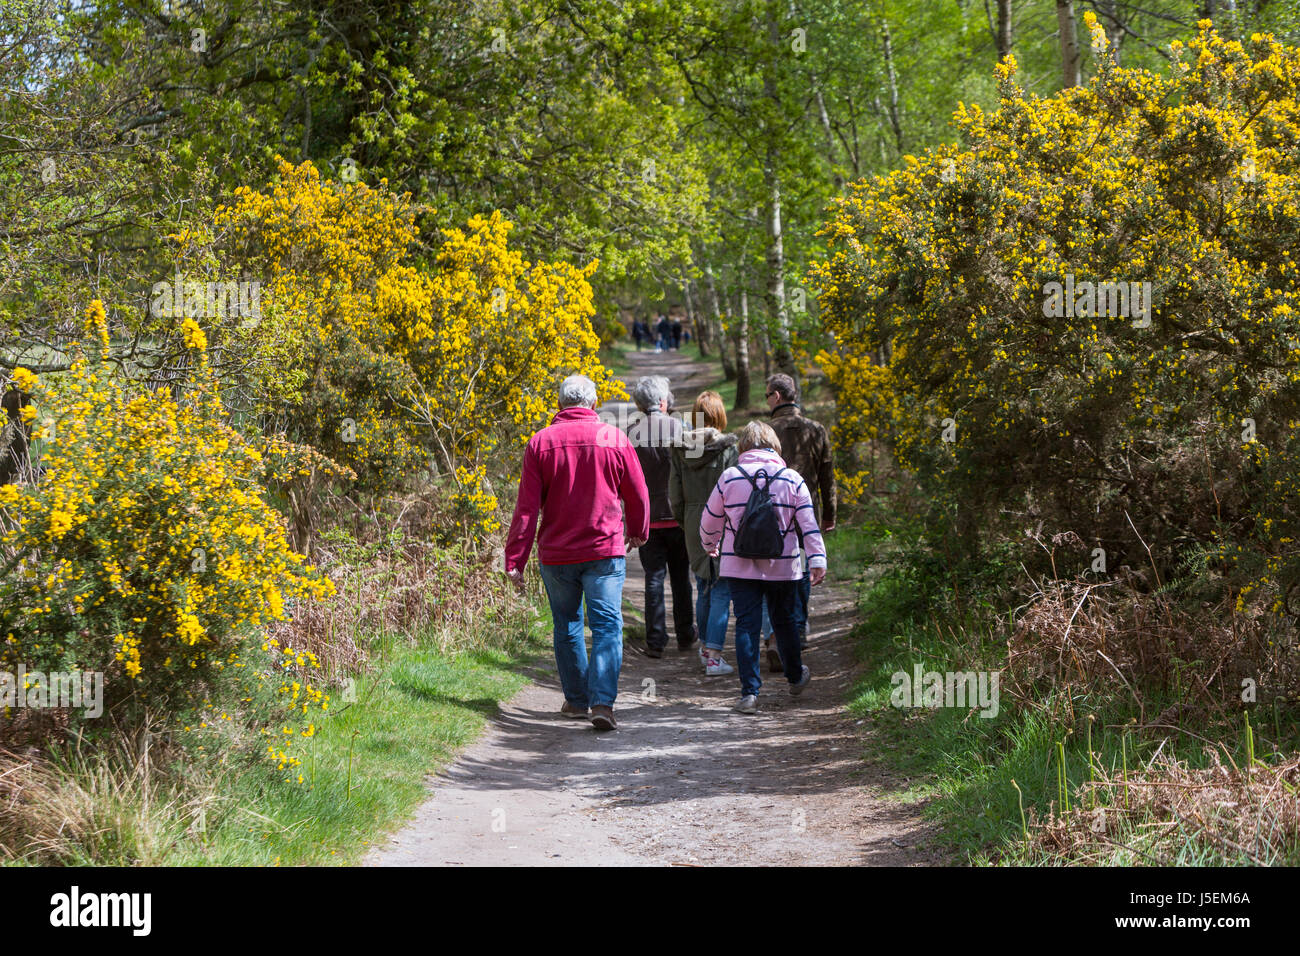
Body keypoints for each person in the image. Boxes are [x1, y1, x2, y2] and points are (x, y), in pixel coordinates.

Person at [504, 374, 649, 731]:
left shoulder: (540, 443)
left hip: (557, 554)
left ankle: (576, 699)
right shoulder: (613, 438)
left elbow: (526, 508)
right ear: (594, 403)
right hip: (604, 550)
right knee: (607, 625)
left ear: (559, 405)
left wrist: (515, 560)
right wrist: (639, 530)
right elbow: (638, 492)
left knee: (567, 624)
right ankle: (602, 703)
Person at [700, 421, 827, 714]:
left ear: (743, 447)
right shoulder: (792, 479)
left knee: (746, 624)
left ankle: (749, 694)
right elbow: (808, 524)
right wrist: (817, 559)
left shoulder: (730, 477)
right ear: (775, 446)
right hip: (783, 567)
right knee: (785, 622)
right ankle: (795, 677)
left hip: (738, 565)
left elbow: (709, 520)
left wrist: (710, 545)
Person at [763, 372, 837, 670]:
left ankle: (776, 635)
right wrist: (829, 514)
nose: (766, 400)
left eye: (767, 395)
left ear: (777, 396)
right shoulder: (817, 430)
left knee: (775, 572)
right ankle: (799, 629)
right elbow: (827, 477)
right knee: (803, 569)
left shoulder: (766, 431)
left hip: (773, 513)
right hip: (808, 512)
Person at [669, 390, 739, 676]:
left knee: (702, 585)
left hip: (693, 518)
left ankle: (704, 651)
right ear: (720, 414)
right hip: (722, 518)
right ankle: (714, 655)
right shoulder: (729, 448)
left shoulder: (679, 448)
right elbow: (734, 489)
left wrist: (686, 522)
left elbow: (675, 494)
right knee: (721, 588)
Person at [627, 375, 696, 658]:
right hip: (679, 516)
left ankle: (655, 640)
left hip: (649, 518)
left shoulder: (631, 433)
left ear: (639, 404)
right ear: (663, 402)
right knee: (682, 578)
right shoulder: (682, 429)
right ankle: (685, 634)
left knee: (653, 579)